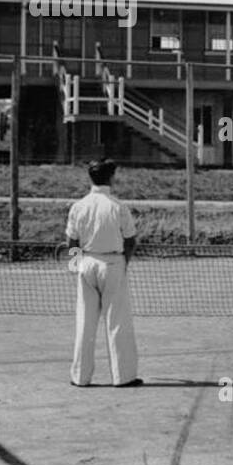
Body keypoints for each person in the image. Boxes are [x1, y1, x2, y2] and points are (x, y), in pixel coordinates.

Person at [66, 158, 141, 387]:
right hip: (113, 263)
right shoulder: (118, 206)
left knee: (85, 322)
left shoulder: (79, 206)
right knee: (117, 322)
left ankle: (80, 377)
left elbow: (72, 240)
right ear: (111, 178)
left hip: (86, 263)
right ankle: (123, 377)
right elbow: (130, 240)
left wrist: (77, 265)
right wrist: (124, 263)